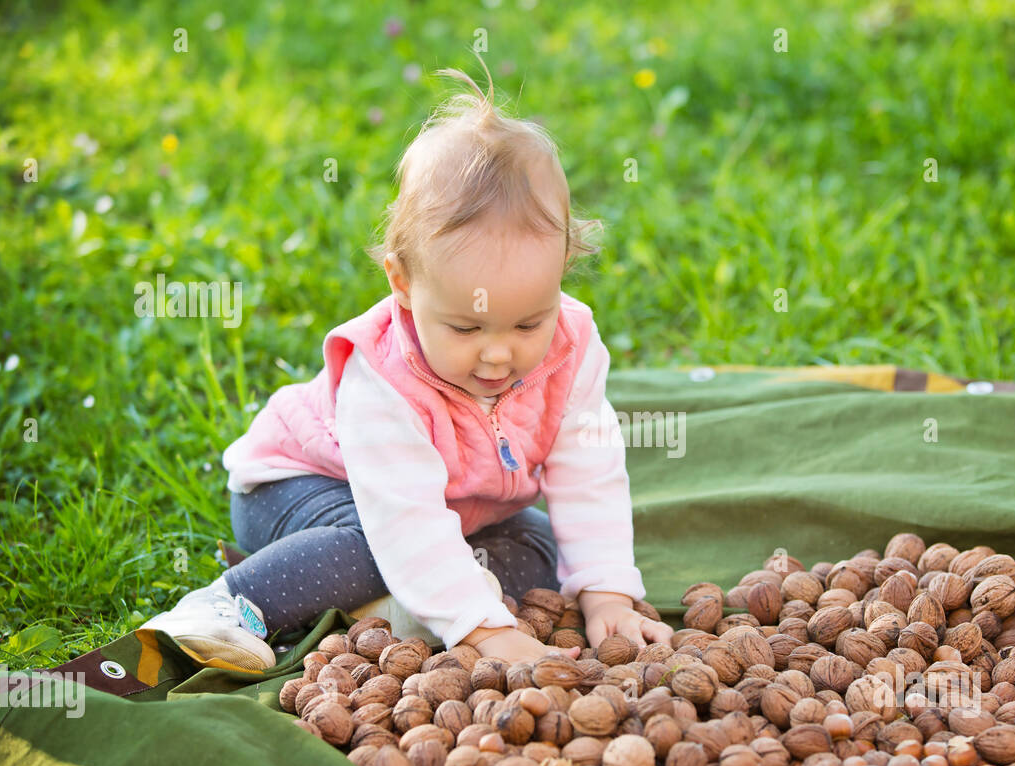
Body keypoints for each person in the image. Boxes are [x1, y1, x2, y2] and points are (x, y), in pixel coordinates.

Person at [143, 62, 674, 669]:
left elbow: (589, 472)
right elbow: (405, 517)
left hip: (447, 513)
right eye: (466, 327)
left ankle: (409, 602)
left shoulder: (571, 348)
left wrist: (608, 592)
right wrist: (484, 632)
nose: (498, 354)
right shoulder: (385, 378)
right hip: (303, 487)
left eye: (529, 322)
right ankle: (227, 605)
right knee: (379, 546)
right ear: (402, 283)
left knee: (540, 545)